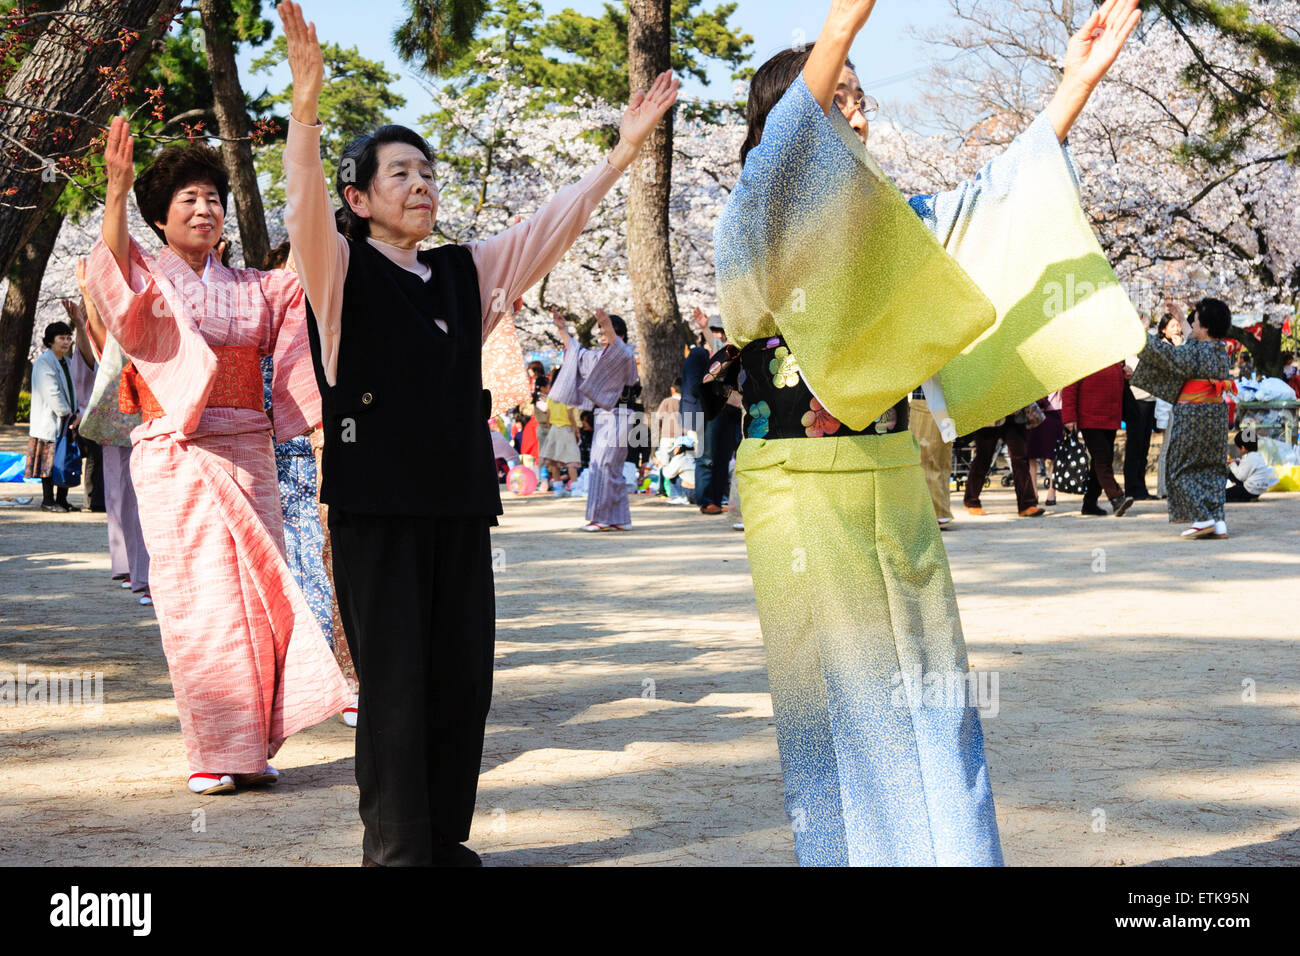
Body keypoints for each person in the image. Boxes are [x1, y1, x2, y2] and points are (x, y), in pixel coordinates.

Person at [712, 0, 1140, 866]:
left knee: (932, 686)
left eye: (860, 95)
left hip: (888, 474)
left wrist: (1076, 85)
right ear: (786, 123)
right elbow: (795, 147)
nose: (858, 108)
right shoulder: (755, 212)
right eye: (838, 97)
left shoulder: (891, 223)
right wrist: (842, 26)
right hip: (798, 491)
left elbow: (994, 203)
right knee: (839, 695)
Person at [277, 0, 677, 865]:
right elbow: (303, 203)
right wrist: (305, 110)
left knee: (461, 681)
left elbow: (549, 225)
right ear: (359, 198)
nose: (421, 185)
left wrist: (622, 154)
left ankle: (444, 843)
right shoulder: (338, 272)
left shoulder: (466, 272)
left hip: (459, 504)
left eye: (427, 171)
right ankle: (396, 850)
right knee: (395, 687)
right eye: (399, 175)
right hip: (377, 509)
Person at [84, 115, 351, 797]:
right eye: (188, 201)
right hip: (177, 450)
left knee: (262, 595)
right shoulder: (152, 281)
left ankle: (254, 747)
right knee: (199, 601)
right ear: (161, 221)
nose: (204, 210)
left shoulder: (256, 287)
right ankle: (212, 747)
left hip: (252, 449)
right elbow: (113, 278)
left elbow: (306, 299)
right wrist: (116, 193)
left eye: (213, 199)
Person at [71, 258, 153, 605]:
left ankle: (144, 572)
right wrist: (88, 296)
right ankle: (139, 571)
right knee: (126, 500)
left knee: (144, 504)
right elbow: (99, 341)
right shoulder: (119, 339)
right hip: (125, 423)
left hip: (156, 423)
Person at [1132, 298, 1236, 538]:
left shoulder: (1194, 350)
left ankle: (1202, 518)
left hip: (1193, 415)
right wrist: (1180, 316)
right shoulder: (1220, 349)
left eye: (1196, 320)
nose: (1191, 324)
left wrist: (1139, 336)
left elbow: (1168, 355)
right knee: (1212, 468)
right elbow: (1194, 343)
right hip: (1216, 416)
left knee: (1179, 467)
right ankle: (1218, 521)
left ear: (1206, 326)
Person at [550, 307, 640, 531]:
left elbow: (621, 354)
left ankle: (601, 517)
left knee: (606, 463)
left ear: (619, 334)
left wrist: (607, 324)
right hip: (604, 415)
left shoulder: (625, 354)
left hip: (620, 414)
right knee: (607, 465)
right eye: (600, 333)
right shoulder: (598, 357)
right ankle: (620, 518)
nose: (602, 337)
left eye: (606, 332)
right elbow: (576, 353)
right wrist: (562, 330)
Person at [1062, 362, 1135, 516]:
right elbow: (1069, 388)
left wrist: (1126, 376)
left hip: (1110, 418)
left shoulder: (1114, 357)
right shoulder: (1081, 357)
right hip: (1089, 418)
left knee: (1100, 461)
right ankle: (1116, 498)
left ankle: (1089, 503)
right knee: (1102, 459)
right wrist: (1069, 417)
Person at [25, 321, 80, 513]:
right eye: (61, 338)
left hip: (67, 420)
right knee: (48, 463)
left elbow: (75, 390)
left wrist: (76, 412)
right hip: (51, 421)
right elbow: (52, 392)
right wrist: (67, 413)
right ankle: (48, 501)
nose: (66, 342)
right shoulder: (44, 362)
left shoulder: (67, 361)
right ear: (50, 341)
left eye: (68, 338)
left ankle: (62, 500)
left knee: (64, 459)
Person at [961, 412, 1044, 517]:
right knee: (983, 458)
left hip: (1015, 414)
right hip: (989, 415)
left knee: (1021, 458)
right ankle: (971, 501)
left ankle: (1027, 505)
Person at [909, 385, 955, 526]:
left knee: (935, 458)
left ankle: (937, 511)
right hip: (933, 401)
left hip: (935, 400)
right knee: (932, 458)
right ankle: (937, 511)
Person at [1025, 391, 1064, 506]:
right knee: (1030, 454)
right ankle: (1033, 491)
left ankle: (1052, 490)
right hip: (1032, 409)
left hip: (1054, 410)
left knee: (1053, 454)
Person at [1226, 430, 1275, 502]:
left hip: (1250, 490)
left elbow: (1241, 477)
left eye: (1237, 447)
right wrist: (1238, 461)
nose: (1237, 449)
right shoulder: (1257, 456)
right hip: (1258, 489)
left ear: (1243, 448)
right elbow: (1249, 465)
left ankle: (1244, 498)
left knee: (1224, 494)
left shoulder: (1249, 459)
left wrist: (1232, 464)